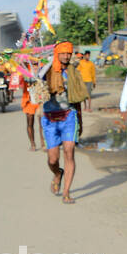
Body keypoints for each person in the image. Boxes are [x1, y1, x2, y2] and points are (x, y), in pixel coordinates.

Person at [38, 41, 88, 203]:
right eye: (63, 53)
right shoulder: (46, 70)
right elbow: (35, 83)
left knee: (69, 151)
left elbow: (78, 97)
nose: (67, 56)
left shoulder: (73, 72)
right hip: (50, 118)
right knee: (52, 159)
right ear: (57, 53)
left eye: (69, 53)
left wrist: (80, 120)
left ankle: (66, 192)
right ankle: (57, 173)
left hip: (69, 116)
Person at [20, 74, 45, 152]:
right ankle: (33, 144)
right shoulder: (23, 69)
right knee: (30, 123)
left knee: (42, 123)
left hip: (40, 99)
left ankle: (43, 144)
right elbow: (19, 81)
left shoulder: (41, 66)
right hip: (28, 101)